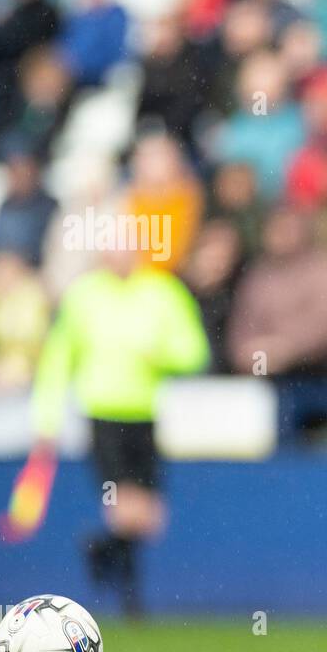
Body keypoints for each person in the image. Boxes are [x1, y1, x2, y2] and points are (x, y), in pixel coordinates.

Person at [29, 239, 209, 616]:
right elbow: (58, 358)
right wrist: (47, 417)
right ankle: (132, 601)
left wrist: (160, 355)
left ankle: (100, 548)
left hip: (144, 415)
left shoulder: (163, 292)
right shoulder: (84, 296)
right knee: (124, 509)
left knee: (152, 518)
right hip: (102, 414)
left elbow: (195, 351)